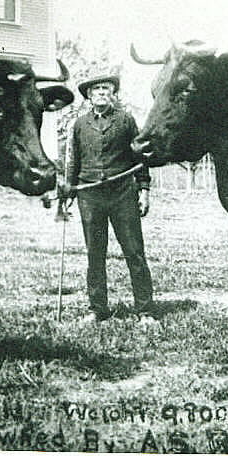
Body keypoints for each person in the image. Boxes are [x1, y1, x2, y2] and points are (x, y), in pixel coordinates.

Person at [63, 70, 158, 325]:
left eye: (106, 90)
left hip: (122, 193)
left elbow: (140, 158)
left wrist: (144, 190)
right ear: (89, 97)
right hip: (89, 195)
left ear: (113, 94)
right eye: (96, 91)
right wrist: (69, 191)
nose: (101, 94)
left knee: (134, 251)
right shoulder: (80, 124)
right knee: (95, 253)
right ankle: (97, 309)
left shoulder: (126, 121)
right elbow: (73, 159)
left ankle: (145, 310)